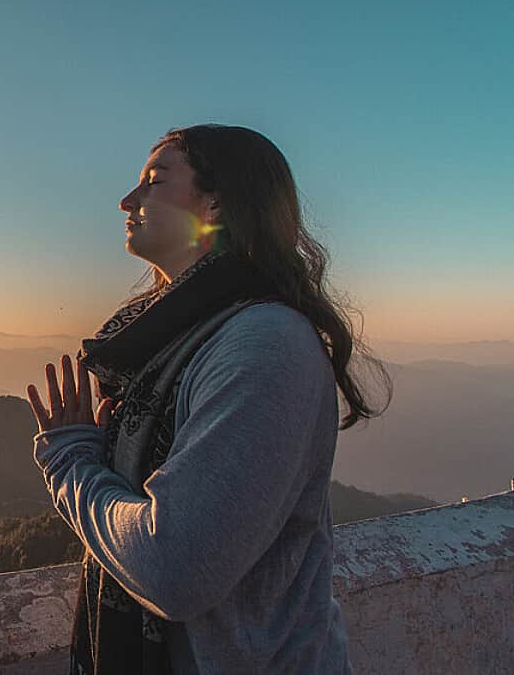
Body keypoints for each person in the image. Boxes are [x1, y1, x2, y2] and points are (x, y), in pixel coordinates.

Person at [26, 124, 391, 674]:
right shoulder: (181, 341)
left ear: (216, 202)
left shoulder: (266, 344)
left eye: (154, 180)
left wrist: (70, 462)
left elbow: (174, 569)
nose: (128, 200)